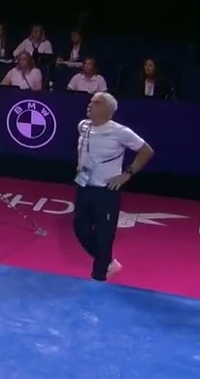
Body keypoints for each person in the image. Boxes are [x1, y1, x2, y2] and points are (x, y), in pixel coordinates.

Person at [72, 92, 154, 281]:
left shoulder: (120, 132)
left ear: (108, 110)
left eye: (96, 102)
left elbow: (146, 151)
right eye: (91, 101)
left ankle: (99, 275)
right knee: (80, 229)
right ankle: (107, 260)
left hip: (107, 191)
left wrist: (127, 174)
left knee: (103, 235)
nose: (90, 105)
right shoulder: (82, 126)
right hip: (84, 186)